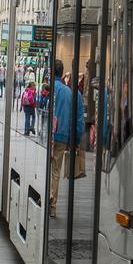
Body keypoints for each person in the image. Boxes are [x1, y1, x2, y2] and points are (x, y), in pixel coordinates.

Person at [48, 60, 85, 218]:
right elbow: (77, 119)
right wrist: (75, 139)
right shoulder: (69, 93)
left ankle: (44, 197)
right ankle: (52, 205)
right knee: (56, 170)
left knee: (46, 168)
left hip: (47, 136)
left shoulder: (48, 88)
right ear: (62, 73)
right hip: (62, 136)